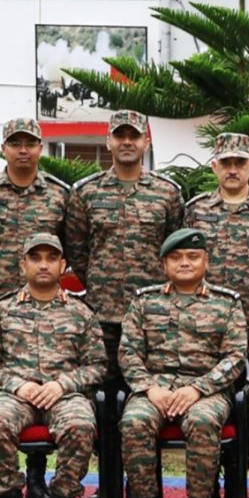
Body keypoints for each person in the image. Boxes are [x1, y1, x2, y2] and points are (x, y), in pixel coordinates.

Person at [0, 117, 68, 498]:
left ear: (41, 148)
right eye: (15, 143)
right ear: (3, 148)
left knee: (42, 383)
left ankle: (37, 478)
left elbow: (66, 247)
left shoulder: (58, 196)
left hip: (43, 309)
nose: (23, 150)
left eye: (30, 143)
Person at [0, 233, 105, 498]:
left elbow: (98, 366)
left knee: (81, 424)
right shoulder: (0, 312)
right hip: (15, 395)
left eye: (50, 258)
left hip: (64, 395)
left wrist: (63, 384)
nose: (43, 264)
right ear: (23, 264)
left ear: (63, 265)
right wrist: (19, 385)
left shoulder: (81, 313)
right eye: (35, 258)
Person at [118, 228, 248, 498]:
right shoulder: (144, 302)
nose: (185, 263)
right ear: (164, 265)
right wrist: (150, 389)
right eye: (176, 257)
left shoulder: (226, 303)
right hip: (155, 389)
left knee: (203, 421)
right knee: (134, 421)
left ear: (206, 262)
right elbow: (128, 352)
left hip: (206, 391)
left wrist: (198, 389)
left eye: (193, 256)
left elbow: (235, 357)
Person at [63, 110, 183, 373]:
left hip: (153, 313)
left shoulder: (167, 192)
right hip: (102, 311)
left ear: (146, 143)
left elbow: (175, 248)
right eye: (120, 136)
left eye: (134, 136)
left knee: (151, 387)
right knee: (102, 388)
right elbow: (75, 248)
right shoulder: (86, 192)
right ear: (108, 142)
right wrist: (98, 279)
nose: (127, 142)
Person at [181, 132, 249, 362]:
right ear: (214, 166)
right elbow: (184, 264)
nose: (233, 170)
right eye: (226, 163)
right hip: (204, 320)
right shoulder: (197, 209)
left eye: (240, 163)